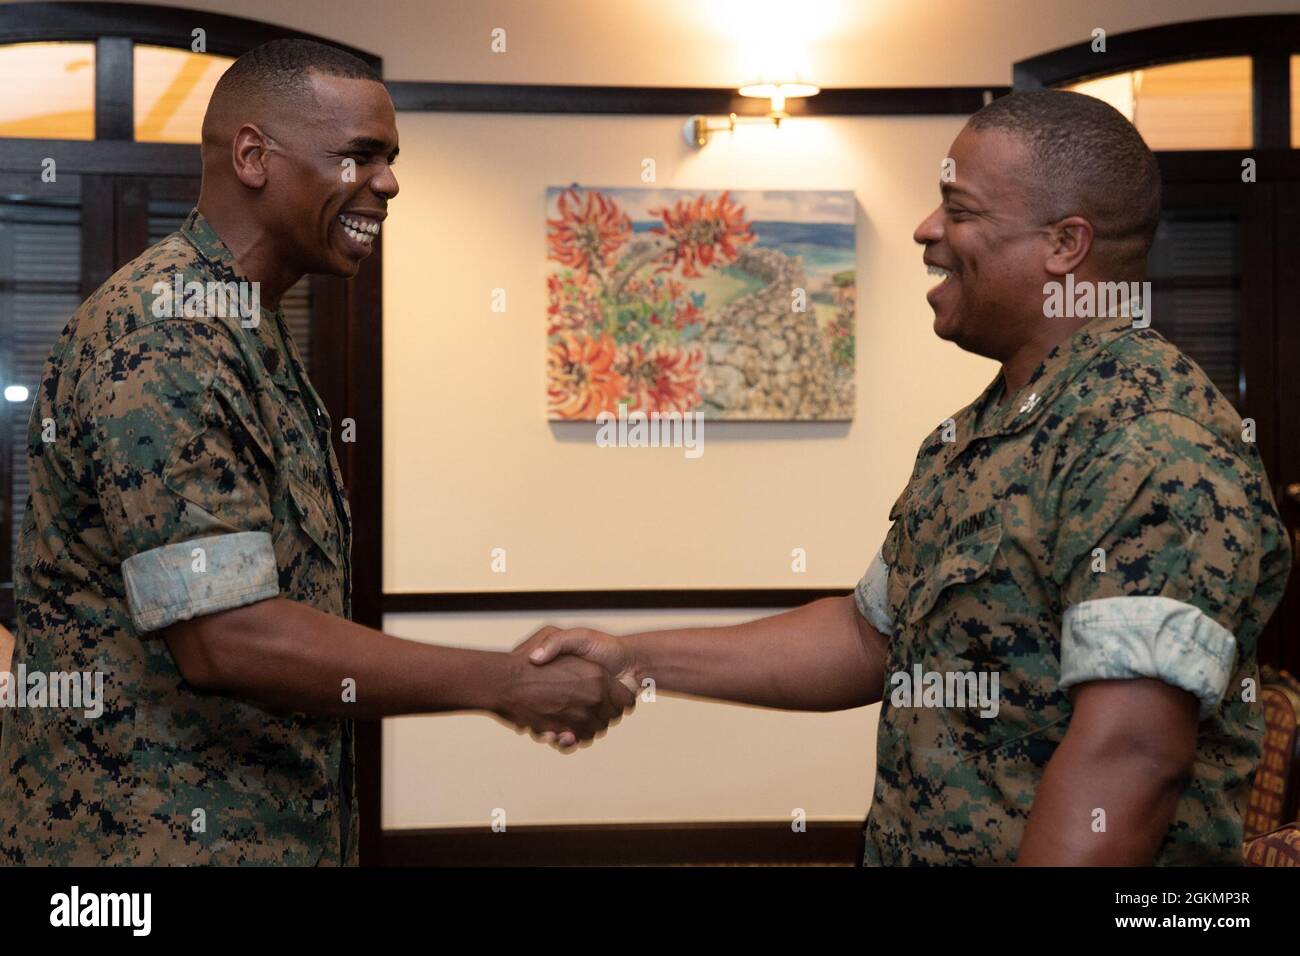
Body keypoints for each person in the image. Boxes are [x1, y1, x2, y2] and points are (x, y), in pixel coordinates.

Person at [527, 90, 1293, 865]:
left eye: (958, 209)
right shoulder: (983, 430)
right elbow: (868, 636)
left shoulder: (1148, 442)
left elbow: (1130, 759)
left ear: (1065, 245)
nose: (928, 230)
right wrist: (635, 658)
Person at [0, 39, 631, 867]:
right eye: (358, 157)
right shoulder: (168, 334)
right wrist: (505, 682)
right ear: (254, 156)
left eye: (391, 159)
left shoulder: (246, 330)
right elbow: (228, 636)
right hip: (145, 845)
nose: (389, 183)